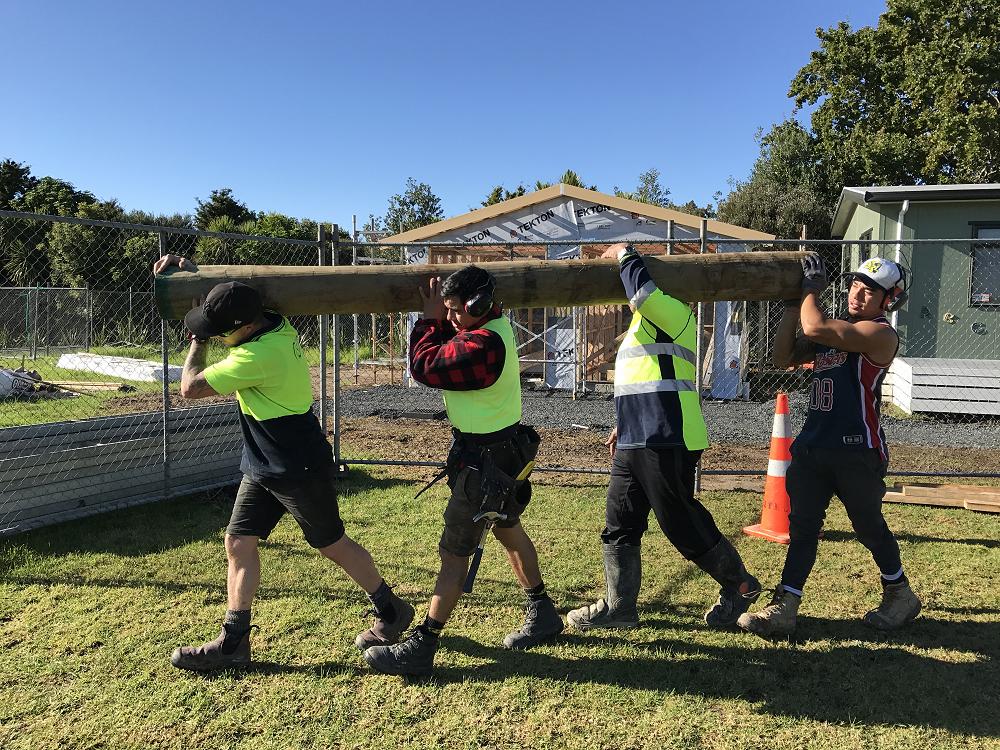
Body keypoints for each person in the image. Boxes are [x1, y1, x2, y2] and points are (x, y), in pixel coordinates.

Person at [153, 255, 413, 671]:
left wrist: (196, 343)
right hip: (263, 461)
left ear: (243, 327)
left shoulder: (254, 358)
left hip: (297, 465)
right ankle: (234, 642)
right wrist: (189, 268)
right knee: (238, 542)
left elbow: (189, 388)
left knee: (332, 544)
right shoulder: (274, 319)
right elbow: (236, 293)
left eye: (219, 331)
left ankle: (391, 609)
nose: (216, 337)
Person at [363, 264, 562, 677]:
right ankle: (542, 610)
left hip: (486, 463)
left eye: (456, 310)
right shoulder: (491, 329)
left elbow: (424, 367)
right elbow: (447, 345)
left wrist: (428, 319)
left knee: (454, 553)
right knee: (508, 529)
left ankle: (424, 643)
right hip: (500, 454)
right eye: (448, 311)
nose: (451, 318)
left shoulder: (485, 344)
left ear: (480, 303)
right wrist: (441, 317)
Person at [567, 243, 761, 632]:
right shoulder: (640, 326)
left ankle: (738, 585)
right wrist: (622, 424)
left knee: (679, 520)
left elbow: (642, 292)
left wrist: (624, 253)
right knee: (620, 520)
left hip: (668, 435)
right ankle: (619, 606)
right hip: (635, 437)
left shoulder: (676, 313)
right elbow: (645, 377)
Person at [738, 255, 921, 636]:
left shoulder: (881, 334)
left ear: (889, 300)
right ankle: (785, 605)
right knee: (802, 528)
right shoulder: (834, 330)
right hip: (815, 446)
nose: (858, 293)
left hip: (857, 450)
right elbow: (782, 356)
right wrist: (793, 304)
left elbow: (814, 325)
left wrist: (809, 292)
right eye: (856, 283)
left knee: (868, 527)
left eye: (870, 289)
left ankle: (900, 594)